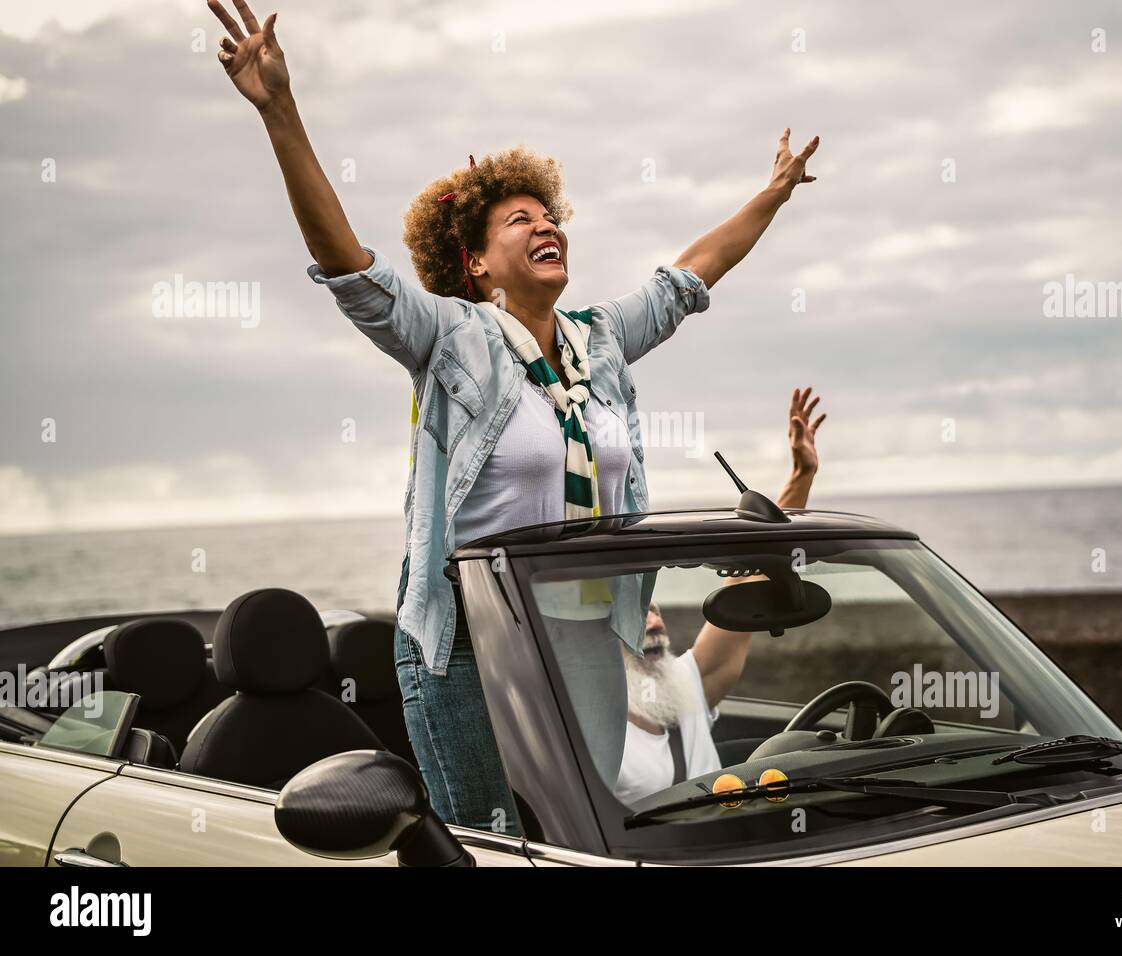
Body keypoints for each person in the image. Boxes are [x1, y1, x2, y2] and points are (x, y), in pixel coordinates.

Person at [206, 0, 820, 834]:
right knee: (491, 845)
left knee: (578, 839)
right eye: (519, 219)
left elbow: (688, 278)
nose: (546, 224)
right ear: (475, 260)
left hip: (585, 641)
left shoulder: (599, 341)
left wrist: (773, 194)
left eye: (550, 213)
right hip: (467, 645)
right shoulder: (450, 338)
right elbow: (346, 263)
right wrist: (279, 109)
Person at [616, 388, 825, 805]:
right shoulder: (590, 727)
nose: (653, 620)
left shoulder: (686, 685)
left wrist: (802, 476)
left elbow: (757, 572)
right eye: (639, 615)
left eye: (654, 609)